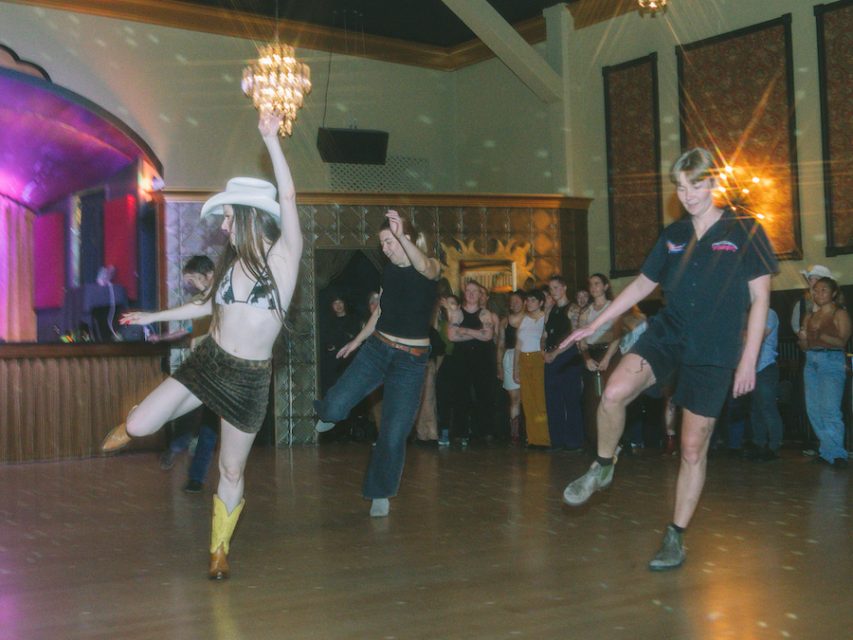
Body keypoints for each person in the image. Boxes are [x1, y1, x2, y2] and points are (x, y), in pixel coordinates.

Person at [100, 112, 302, 580]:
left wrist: (271, 139)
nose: (224, 227)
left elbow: (289, 196)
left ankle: (219, 549)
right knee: (140, 423)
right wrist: (153, 316)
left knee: (230, 471)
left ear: (249, 216)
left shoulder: (285, 258)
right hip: (208, 362)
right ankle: (132, 425)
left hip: (249, 381)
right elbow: (204, 305)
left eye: (229, 217)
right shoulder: (228, 266)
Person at [560, 147, 777, 571]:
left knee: (692, 449)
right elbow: (641, 286)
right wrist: (595, 324)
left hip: (714, 349)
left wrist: (748, 360)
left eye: (696, 185)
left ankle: (675, 536)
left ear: (714, 183)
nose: (688, 194)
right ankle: (602, 466)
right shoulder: (674, 235)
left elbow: (760, 299)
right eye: (680, 187)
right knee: (613, 392)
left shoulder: (745, 229)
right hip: (670, 333)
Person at [314, 210, 440, 517]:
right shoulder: (389, 272)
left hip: (410, 361)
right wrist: (357, 341)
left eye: (390, 241)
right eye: (382, 243)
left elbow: (423, 265)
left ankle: (380, 492)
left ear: (406, 239)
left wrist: (400, 237)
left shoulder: (431, 267)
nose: (385, 248)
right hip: (378, 350)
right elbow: (380, 312)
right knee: (334, 407)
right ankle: (329, 412)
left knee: (394, 433)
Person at [153, 255, 220, 493]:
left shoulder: (223, 299)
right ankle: (178, 448)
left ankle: (195, 477)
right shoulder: (197, 300)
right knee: (189, 413)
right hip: (198, 365)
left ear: (209, 274)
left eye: (193, 280)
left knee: (208, 424)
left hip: (216, 367)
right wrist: (162, 337)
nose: (191, 285)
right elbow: (187, 329)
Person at [797, 277, 851, 469]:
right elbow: (804, 347)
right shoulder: (809, 316)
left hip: (831, 361)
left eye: (823, 290)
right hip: (811, 361)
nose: (818, 294)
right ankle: (827, 451)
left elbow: (842, 342)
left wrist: (820, 334)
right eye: (816, 290)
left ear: (833, 293)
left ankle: (837, 454)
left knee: (829, 409)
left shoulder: (839, 313)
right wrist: (803, 339)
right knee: (813, 410)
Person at [449, 280, 497, 445]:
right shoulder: (457, 313)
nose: (471, 294)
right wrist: (477, 333)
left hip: (482, 359)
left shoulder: (485, 314)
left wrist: (465, 331)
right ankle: (459, 432)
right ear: (464, 293)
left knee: (484, 394)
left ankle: (485, 431)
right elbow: (452, 336)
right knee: (460, 394)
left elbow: (488, 336)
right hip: (461, 359)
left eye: (474, 291)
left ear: (479, 294)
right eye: (468, 291)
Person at [578, 273, 621, 450]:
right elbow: (581, 340)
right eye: (591, 284)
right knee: (591, 400)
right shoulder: (585, 312)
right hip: (592, 354)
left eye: (597, 283)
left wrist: (607, 358)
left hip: (610, 353)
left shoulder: (613, 307)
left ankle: (616, 442)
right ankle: (595, 442)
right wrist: (587, 358)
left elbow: (617, 335)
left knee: (611, 399)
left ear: (605, 286)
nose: (593, 287)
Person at [542, 275, 584, 451]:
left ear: (564, 287)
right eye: (551, 288)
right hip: (550, 356)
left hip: (567, 356)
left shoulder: (573, 309)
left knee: (571, 398)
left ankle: (574, 441)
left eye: (556, 287)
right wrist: (544, 351)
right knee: (553, 400)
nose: (554, 291)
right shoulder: (550, 309)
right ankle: (557, 440)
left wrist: (555, 352)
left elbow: (574, 336)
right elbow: (545, 334)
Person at [745, 308, 785, 462]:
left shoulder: (769, 313)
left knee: (768, 408)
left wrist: (739, 335)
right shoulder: (750, 314)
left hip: (765, 366)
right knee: (755, 409)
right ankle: (759, 445)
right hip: (752, 368)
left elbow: (759, 337)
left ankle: (774, 447)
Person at [515, 289, 549, 447]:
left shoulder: (545, 318)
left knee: (540, 398)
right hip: (524, 358)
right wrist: (515, 368)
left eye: (533, 300)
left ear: (541, 302)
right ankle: (533, 438)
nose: (529, 303)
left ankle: (544, 438)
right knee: (527, 400)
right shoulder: (523, 319)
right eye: (527, 300)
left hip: (538, 358)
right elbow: (518, 344)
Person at [498, 291, 525, 445]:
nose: (514, 304)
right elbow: (501, 344)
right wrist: (499, 366)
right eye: (512, 301)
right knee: (514, 398)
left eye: (517, 301)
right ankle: (515, 433)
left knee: (528, 397)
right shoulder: (504, 322)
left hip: (527, 356)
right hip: (509, 357)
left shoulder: (530, 320)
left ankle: (529, 432)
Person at [790, 265, 832, 334]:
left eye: (817, 279)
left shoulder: (834, 304)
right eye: (810, 279)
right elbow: (796, 327)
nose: (813, 283)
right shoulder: (801, 304)